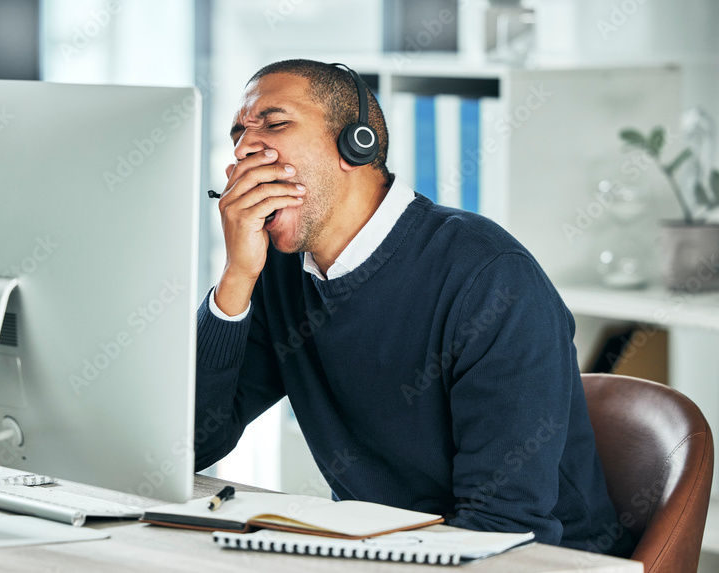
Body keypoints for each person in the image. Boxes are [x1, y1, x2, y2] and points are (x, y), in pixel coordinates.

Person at [194, 59, 633, 557]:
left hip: (540, 563)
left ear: (355, 145)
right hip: (383, 551)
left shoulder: (490, 277)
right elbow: (190, 444)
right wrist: (236, 279)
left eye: (274, 123)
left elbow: (502, 526)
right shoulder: (279, 271)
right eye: (238, 134)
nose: (244, 148)